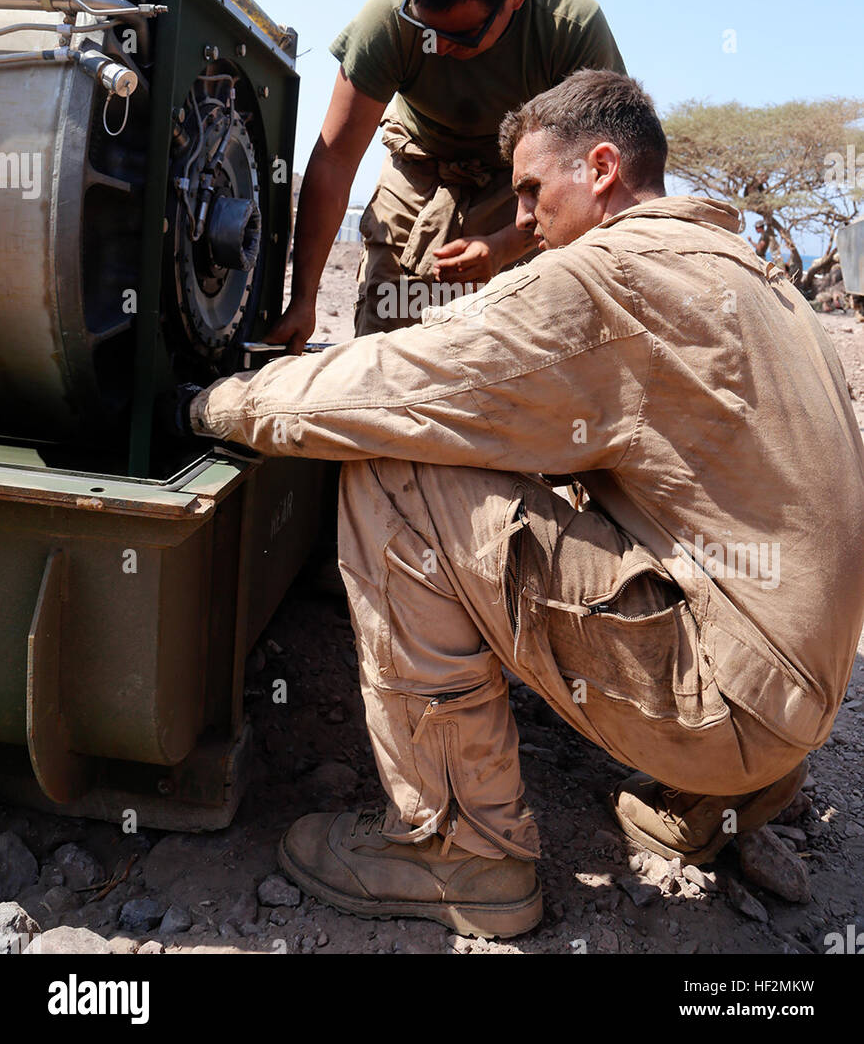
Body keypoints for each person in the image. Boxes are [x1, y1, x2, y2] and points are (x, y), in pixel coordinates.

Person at [181, 69, 864, 939]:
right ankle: (716, 799)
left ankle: (460, 850)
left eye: (535, 190)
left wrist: (217, 404)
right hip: (799, 701)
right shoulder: (756, 276)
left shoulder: (609, 277)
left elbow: (403, 384)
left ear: (603, 168)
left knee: (395, 467)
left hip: (728, 704)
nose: (525, 218)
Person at [266, 0, 625, 346]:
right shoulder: (389, 19)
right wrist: (303, 301)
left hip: (524, 182)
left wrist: (501, 246)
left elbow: (595, 181)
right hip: (419, 162)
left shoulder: (572, 30)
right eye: (426, 30)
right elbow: (336, 160)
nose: (437, 46)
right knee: (386, 330)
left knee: (515, 337)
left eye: (462, 37)